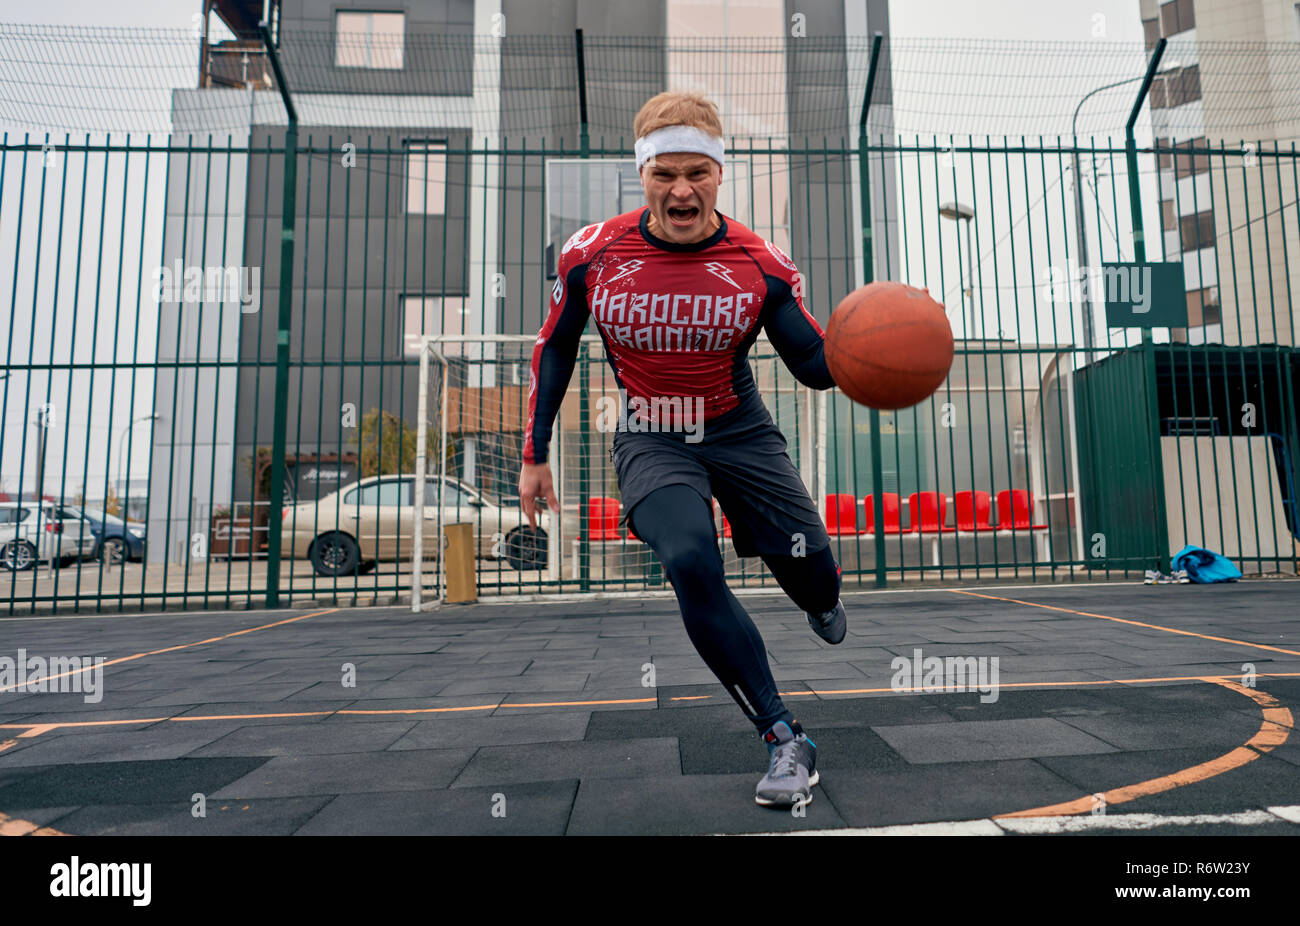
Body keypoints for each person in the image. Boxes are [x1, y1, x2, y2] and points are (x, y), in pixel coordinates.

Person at [518, 91, 846, 808]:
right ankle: (784, 735)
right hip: (652, 430)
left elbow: (813, 365)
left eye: (697, 172)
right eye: (665, 174)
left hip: (739, 428)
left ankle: (820, 596)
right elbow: (557, 347)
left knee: (817, 579)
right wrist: (534, 451)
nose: (681, 189)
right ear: (642, 175)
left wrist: (874, 347)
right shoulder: (592, 255)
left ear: (719, 175)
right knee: (690, 560)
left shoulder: (758, 263)